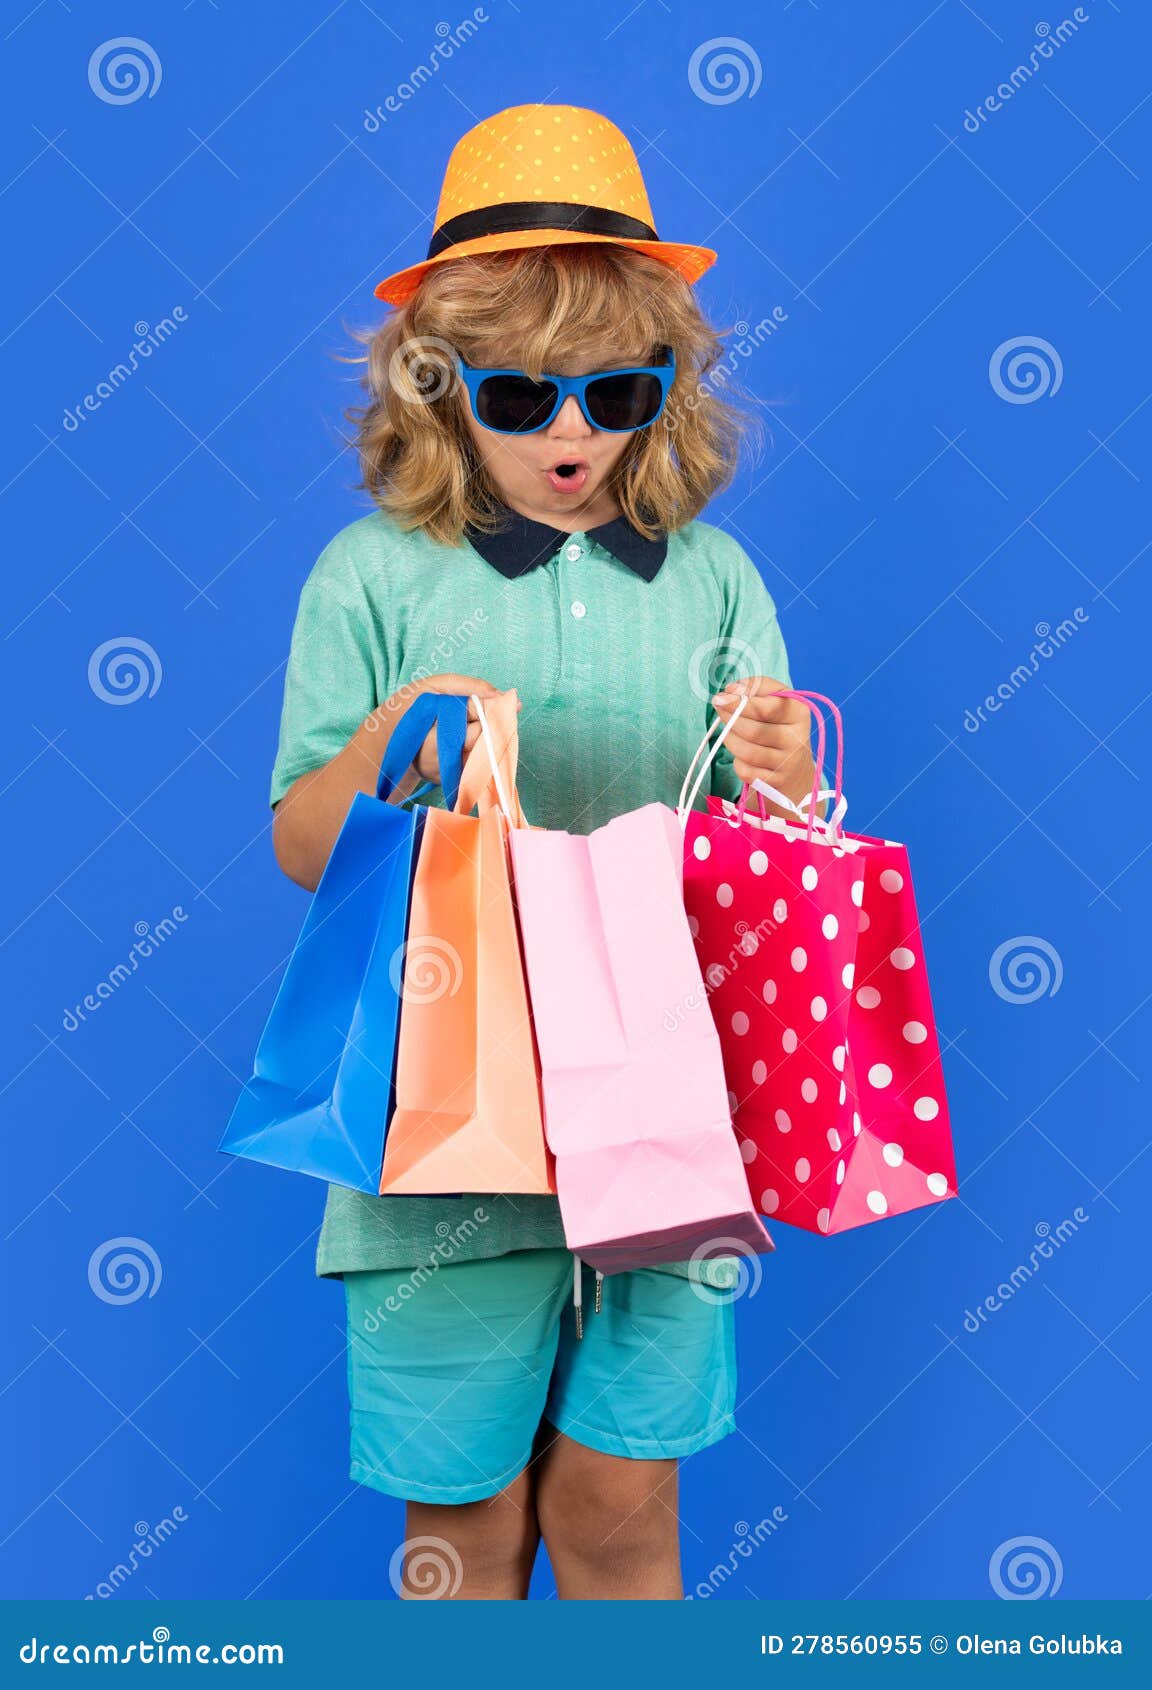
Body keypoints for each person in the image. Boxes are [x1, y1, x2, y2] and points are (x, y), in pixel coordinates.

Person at [268, 103, 815, 1601]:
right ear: (439, 389)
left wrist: (786, 767)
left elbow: (767, 864)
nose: (572, 436)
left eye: (616, 392)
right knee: (467, 1524)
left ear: (665, 389)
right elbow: (303, 847)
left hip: (667, 1098)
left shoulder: (713, 578)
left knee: (621, 1504)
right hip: (442, 1129)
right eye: (519, 397)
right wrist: (392, 739)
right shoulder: (371, 576)